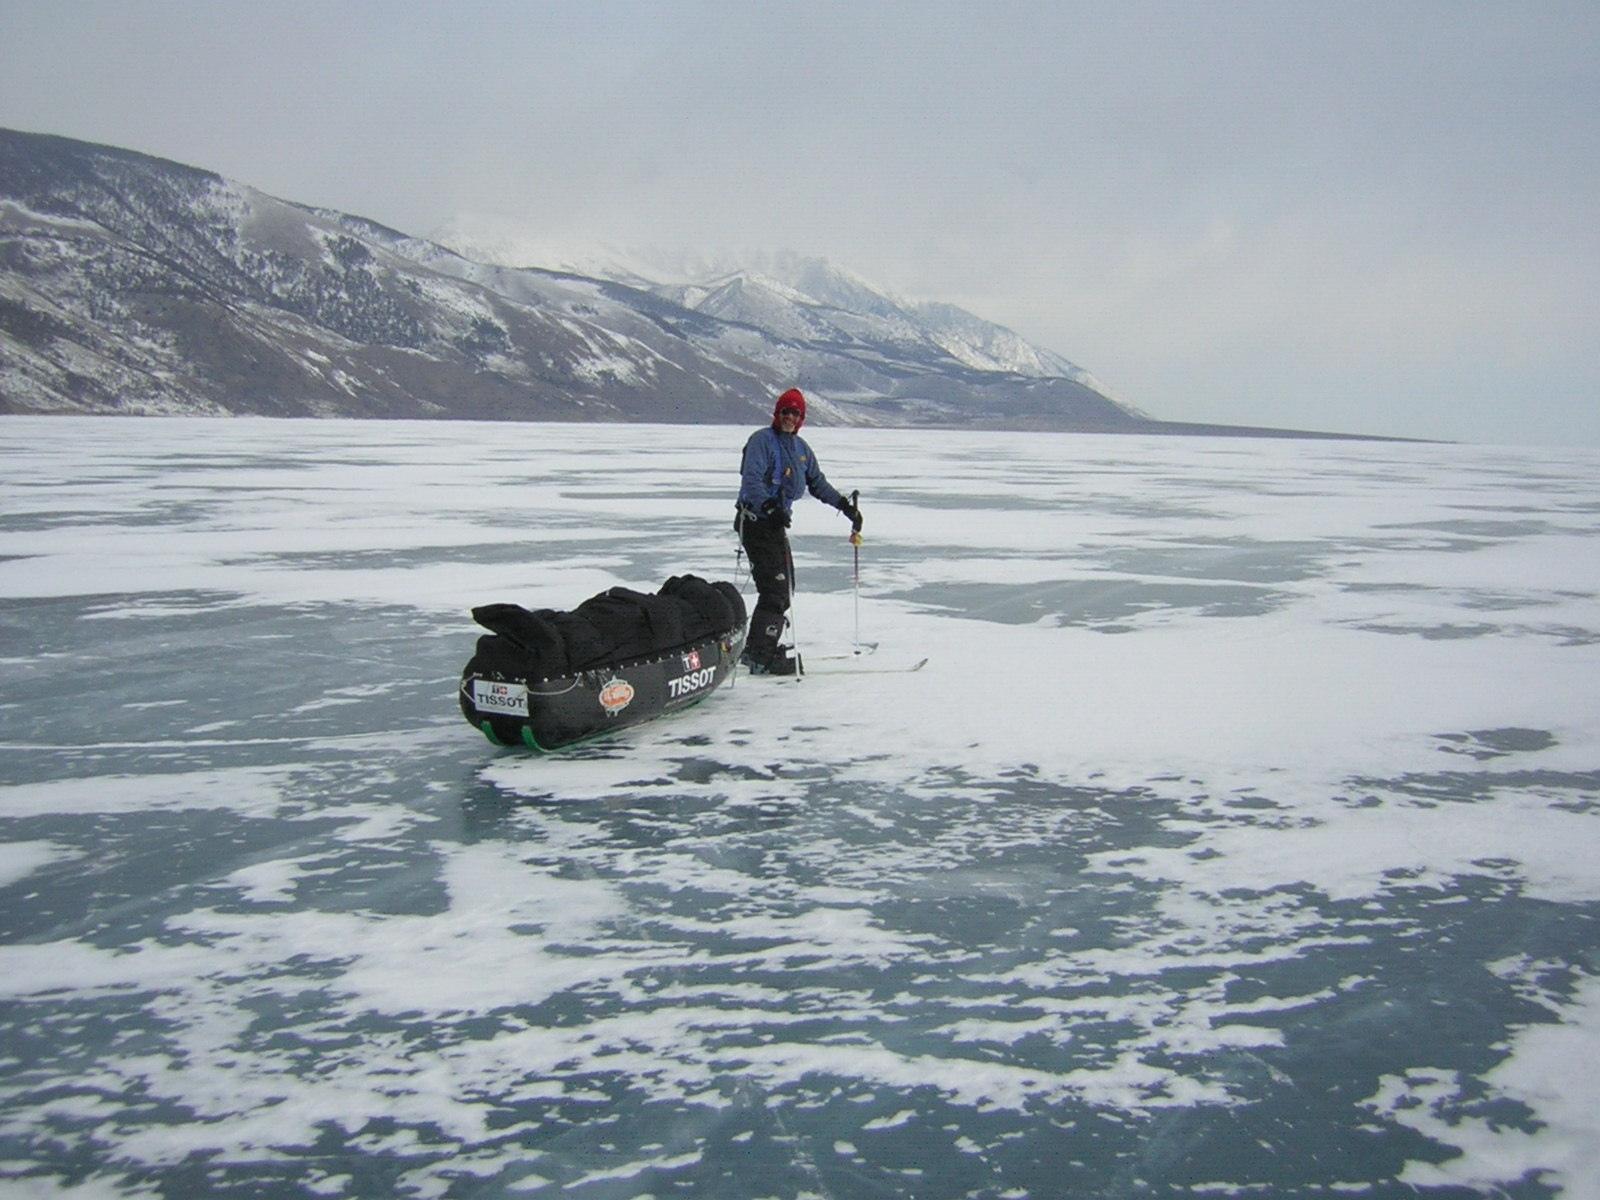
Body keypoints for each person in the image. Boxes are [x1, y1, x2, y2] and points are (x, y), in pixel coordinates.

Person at [735, 388, 863, 675]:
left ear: (801, 418)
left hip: (775, 526)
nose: (790, 418)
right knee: (776, 590)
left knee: (784, 588)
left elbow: (817, 483)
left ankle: (759, 648)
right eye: (786, 412)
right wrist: (769, 506)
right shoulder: (761, 441)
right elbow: (751, 481)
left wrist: (845, 507)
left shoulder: (801, 450)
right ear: (777, 414)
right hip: (756, 523)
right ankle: (760, 656)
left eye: (796, 413)